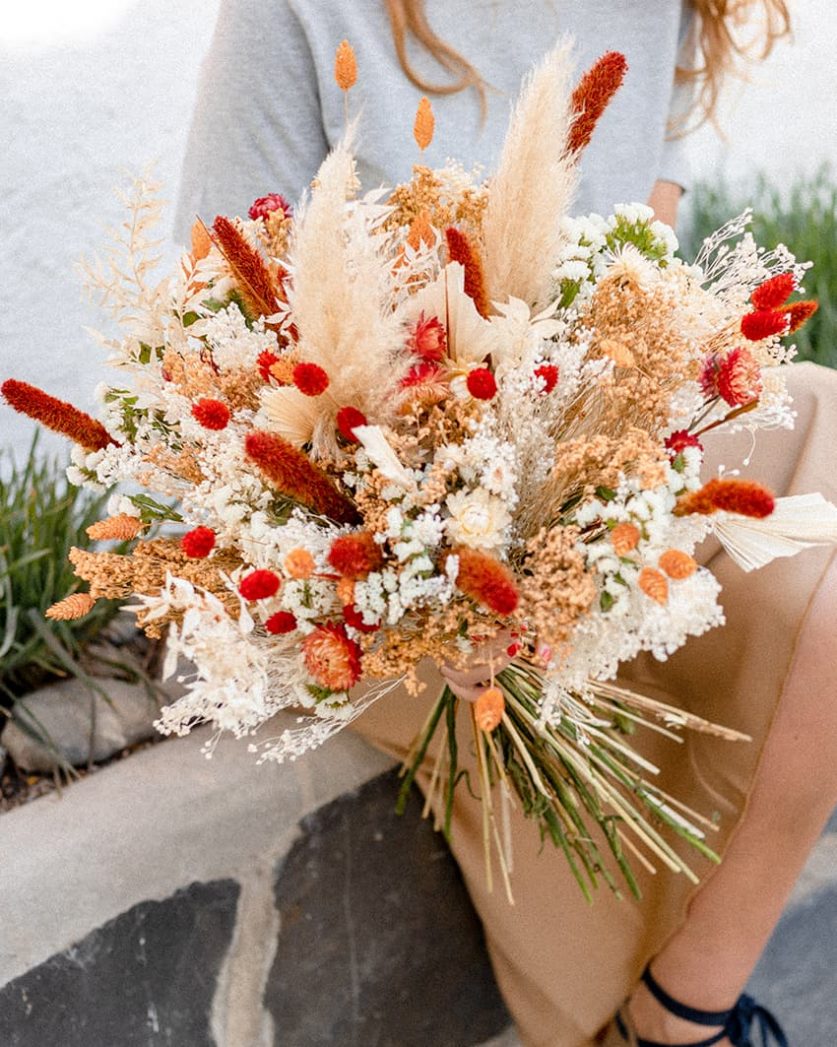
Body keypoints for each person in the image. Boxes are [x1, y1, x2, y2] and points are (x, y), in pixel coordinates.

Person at [176, 4, 837, 1045]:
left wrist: (585, 494)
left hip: (580, 474)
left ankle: (684, 1015)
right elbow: (211, 333)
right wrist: (440, 561)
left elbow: (640, 296)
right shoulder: (297, 13)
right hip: (364, 542)